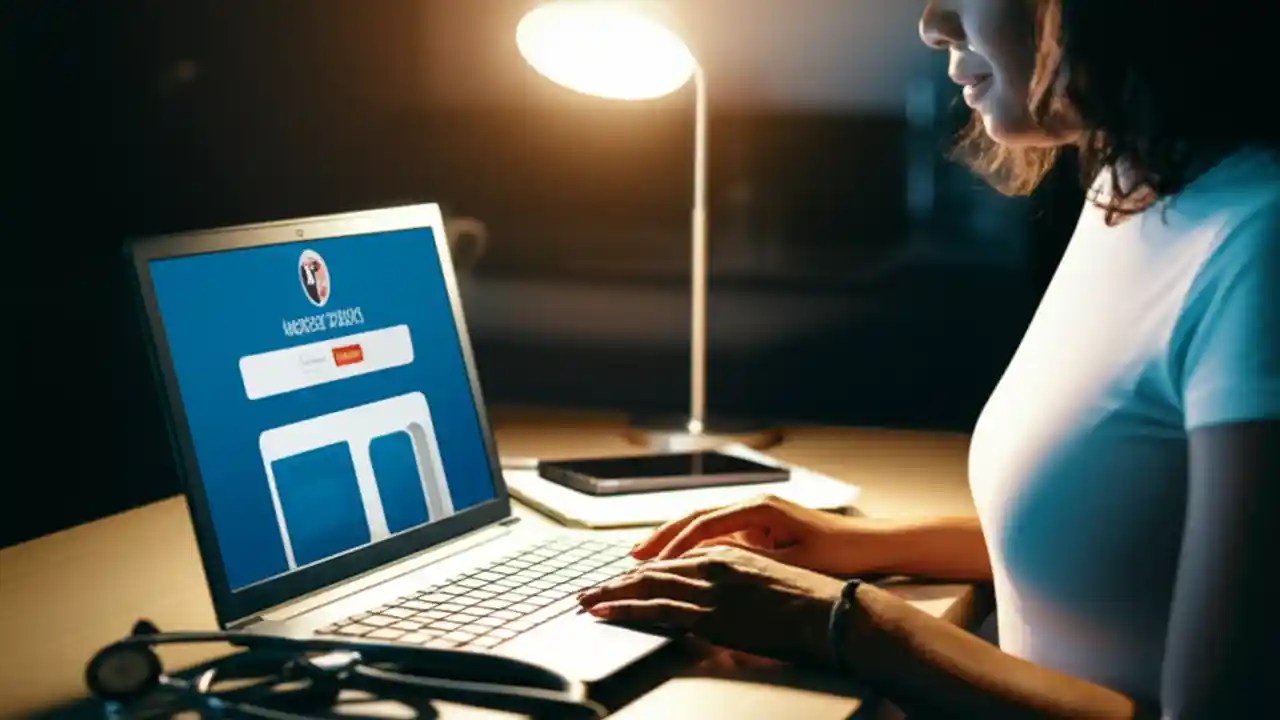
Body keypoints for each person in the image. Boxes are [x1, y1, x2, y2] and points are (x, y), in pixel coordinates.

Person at [577, 1, 1279, 717]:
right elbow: (1124, 546)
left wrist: (845, 621)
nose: (933, 22)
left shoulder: (1260, 245)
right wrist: (853, 543)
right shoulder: (1130, 190)